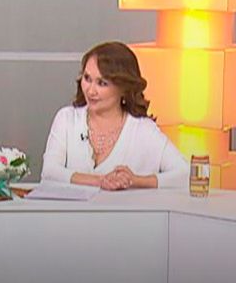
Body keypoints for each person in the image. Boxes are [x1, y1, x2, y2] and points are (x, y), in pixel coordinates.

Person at [41, 41, 189, 190]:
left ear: (123, 88)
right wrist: (100, 181)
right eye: (87, 78)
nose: (90, 91)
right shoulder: (67, 119)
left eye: (102, 83)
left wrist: (135, 181)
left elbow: (185, 174)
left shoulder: (143, 130)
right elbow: (49, 172)